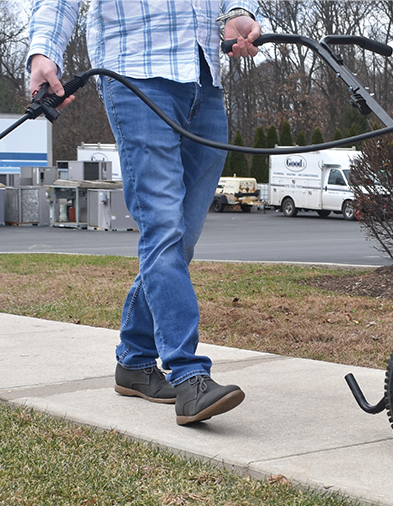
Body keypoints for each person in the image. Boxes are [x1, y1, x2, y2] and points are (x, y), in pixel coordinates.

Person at [27, 0, 261, 425]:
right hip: (137, 76)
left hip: (204, 78)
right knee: (164, 229)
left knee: (180, 238)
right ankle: (189, 376)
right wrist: (44, 51)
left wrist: (238, 13)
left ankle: (134, 362)